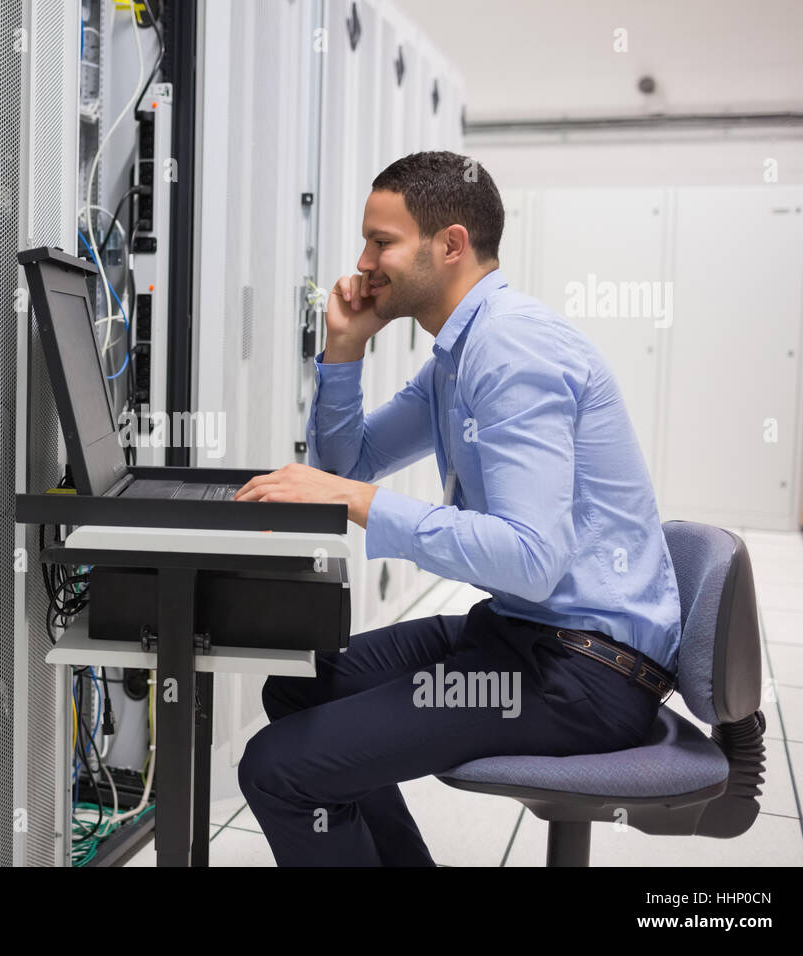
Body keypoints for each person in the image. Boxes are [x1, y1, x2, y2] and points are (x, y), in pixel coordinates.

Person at [231, 150, 682, 866]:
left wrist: (356, 502)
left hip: (585, 673)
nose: (364, 261)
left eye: (382, 242)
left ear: (450, 245)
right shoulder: (456, 356)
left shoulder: (510, 348)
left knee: (275, 769)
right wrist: (343, 354)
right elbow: (344, 463)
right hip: (523, 634)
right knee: (298, 687)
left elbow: (531, 560)